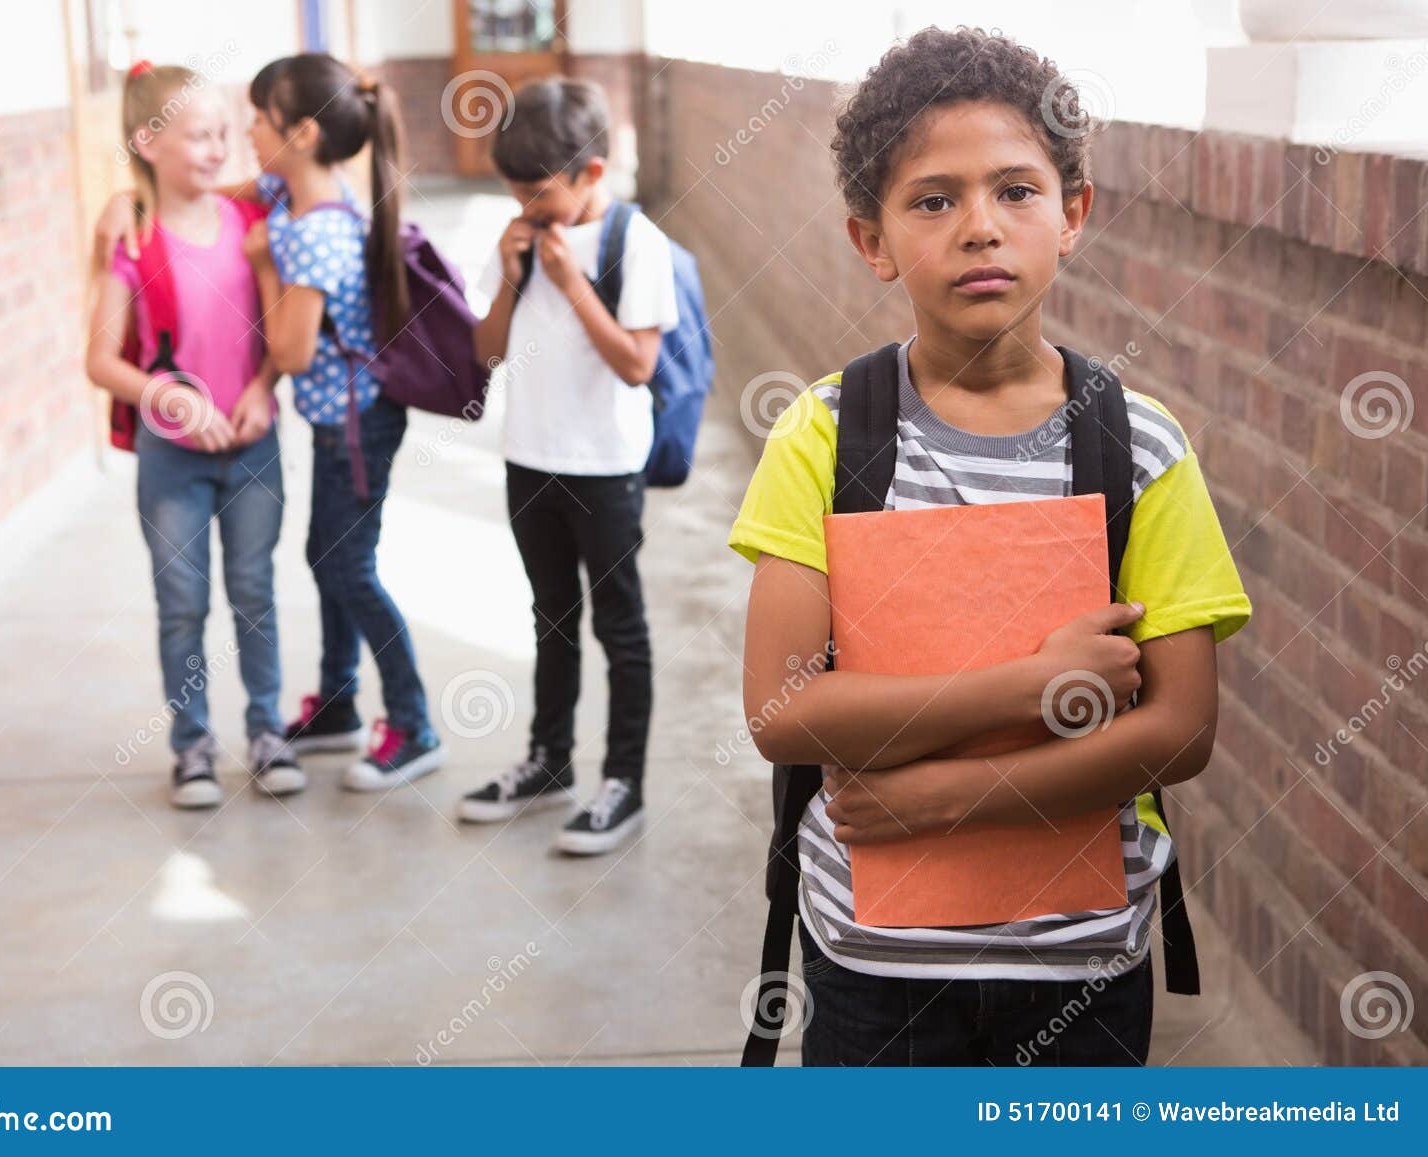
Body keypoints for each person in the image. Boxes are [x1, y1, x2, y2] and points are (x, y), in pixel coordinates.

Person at [729, 26, 1253, 1065]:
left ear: (1073, 215)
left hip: (1082, 967)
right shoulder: (827, 434)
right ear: (870, 241)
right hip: (875, 965)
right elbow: (783, 709)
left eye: (1016, 190)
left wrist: (935, 798)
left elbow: (1182, 726)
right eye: (932, 199)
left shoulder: (1136, 446)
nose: (980, 228)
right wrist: (1035, 684)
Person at [460, 79, 680, 854]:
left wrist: (569, 284)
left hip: (606, 467)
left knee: (619, 624)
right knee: (550, 619)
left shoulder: (635, 242)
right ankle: (549, 760)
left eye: (538, 190)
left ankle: (623, 781)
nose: (524, 204)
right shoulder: (514, 238)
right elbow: (484, 353)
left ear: (592, 174)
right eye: (513, 189)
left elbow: (636, 365)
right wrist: (517, 275)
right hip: (529, 457)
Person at [85, 61, 301, 808]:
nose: (217, 149)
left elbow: (276, 337)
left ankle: (268, 729)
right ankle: (193, 744)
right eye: (199, 136)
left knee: (254, 591)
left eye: (222, 134)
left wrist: (261, 390)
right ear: (148, 141)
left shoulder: (251, 225)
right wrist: (169, 398)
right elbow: (102, 361)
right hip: (170, 459)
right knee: (182, 602)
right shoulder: (132, 237)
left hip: (252, 444)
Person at [243, 52, 445, 792]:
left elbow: (292, 352)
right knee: (326, 557)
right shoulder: (295, 189)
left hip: (357, 426)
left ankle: (415, 723)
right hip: (340, 425)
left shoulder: (317, 231)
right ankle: (336, 704)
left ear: (299, 133)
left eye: (257, 120)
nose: (245, 131)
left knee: (347, 568)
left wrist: (263, 261)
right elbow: (246, 187)